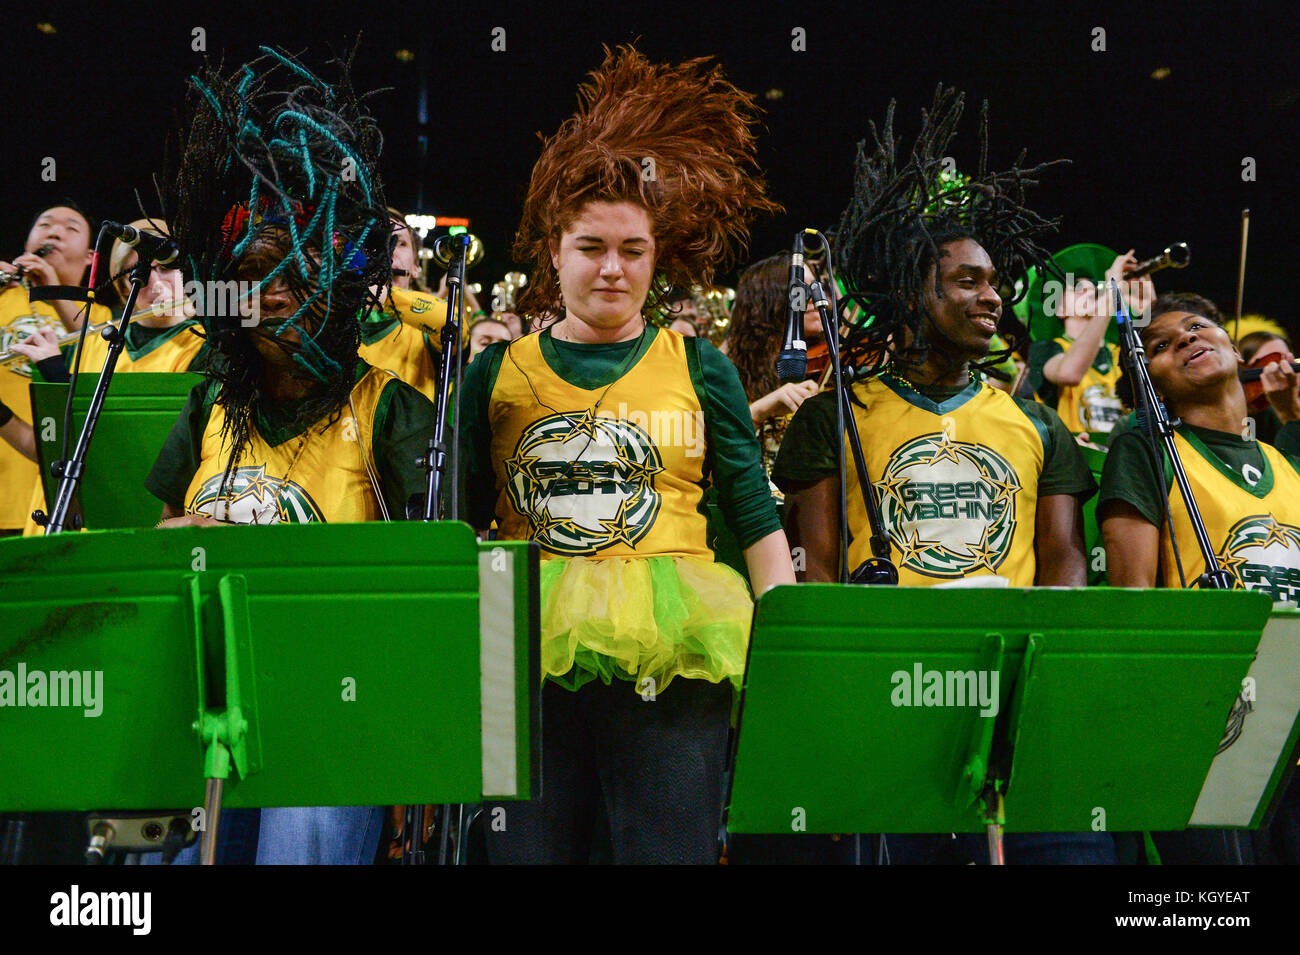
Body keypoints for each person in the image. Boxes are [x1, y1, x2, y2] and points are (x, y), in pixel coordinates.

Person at [458, 46, 793, 864]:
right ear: (553, 252)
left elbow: (752, 513)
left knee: (664, 852)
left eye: (633, 250)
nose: (612, 268)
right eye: (591, 246)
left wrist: (788, 656)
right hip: (514, 644)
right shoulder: (492, 374)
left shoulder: (701, 367)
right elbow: (456, 523)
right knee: (519, 853)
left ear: (656, 258)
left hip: (676, 645)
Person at [773, 86, 1113, 865]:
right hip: (892, 701)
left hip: (1013, 708)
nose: (992, 297)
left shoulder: (1035, 423)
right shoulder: (835, 415)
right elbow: (817, 569)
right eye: (967, 281)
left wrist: (1038, 678)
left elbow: (1063, 563)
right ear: (909, 290)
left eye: (994, 282)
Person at [143, 50, 435, 864]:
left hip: (334, 711)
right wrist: (181, 532)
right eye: (249, 276)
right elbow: (162, 534)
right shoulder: (208, 400)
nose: (270, 295)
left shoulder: (392, 409)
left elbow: (427, 587)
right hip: (212, 704)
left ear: (335, 285)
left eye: (292, 272)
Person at [1098, 292, 1300, 865]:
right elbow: (1134, 607)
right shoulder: (1144, 451)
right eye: (1160, 345)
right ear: (1150, 382)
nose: (1185, 339)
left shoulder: (1288, 464)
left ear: (1235, 349)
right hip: (1215, 731)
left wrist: (1292, 414)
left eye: (1196, 327)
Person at [0, 202, 113, 535]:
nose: (54, 231)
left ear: (91, 259)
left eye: (70, 228)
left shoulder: (102, 316)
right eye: (45, 224)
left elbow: (98, 348)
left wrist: (51, 288)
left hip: (54, 500)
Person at [1019, 243, 1156, 444]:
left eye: (1094, 288)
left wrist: (1150, 311)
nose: (1090, 290)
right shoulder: (1046, 348)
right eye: (1079, 288)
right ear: (1060, 310)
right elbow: (1069, 373)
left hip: (1123, 458)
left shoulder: (1120, 352)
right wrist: (1112, 291)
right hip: (1078, 462)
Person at [725, 252, 823, 481]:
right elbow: (707, 445)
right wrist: (761, 409)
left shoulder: (826, 360)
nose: (815, 298)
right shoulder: (728, 368)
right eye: (802, 289)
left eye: (816, 287)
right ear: (771, 299)